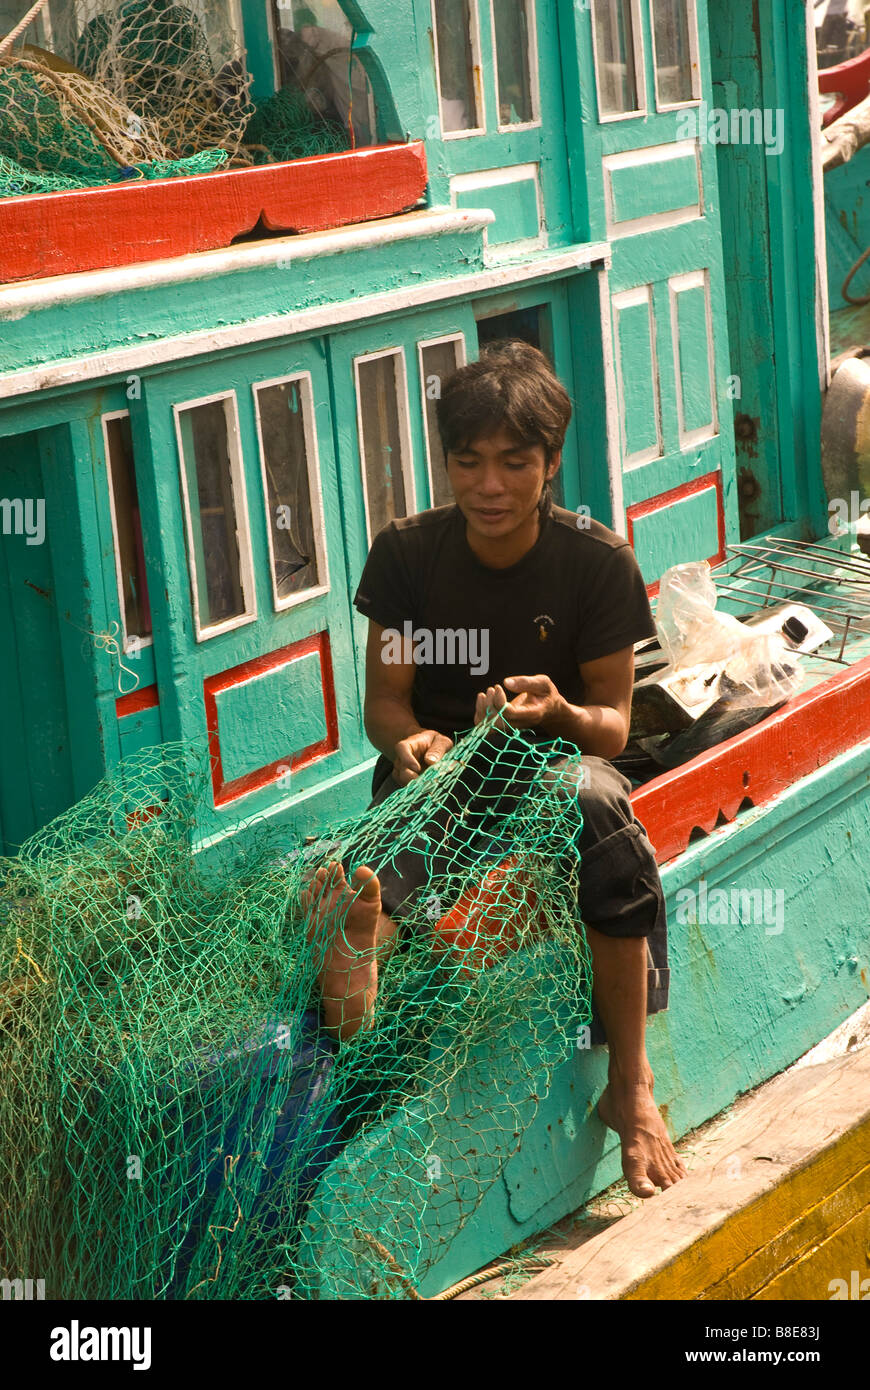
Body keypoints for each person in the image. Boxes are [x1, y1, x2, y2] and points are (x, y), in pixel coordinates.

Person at [303, 340, 687, 1199]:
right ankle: (360, 944)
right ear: (446, 463)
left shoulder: (598, 562)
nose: (489, 485)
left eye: (515, 462)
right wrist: (412, 745)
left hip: (555, 766)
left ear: (550, 465)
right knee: (408, 831)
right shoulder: (405, 554)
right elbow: (387, 708)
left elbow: (614, 726)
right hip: (440, 773)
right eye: (468, 461)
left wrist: (556, 714)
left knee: (601, 811)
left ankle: (631, 1088)